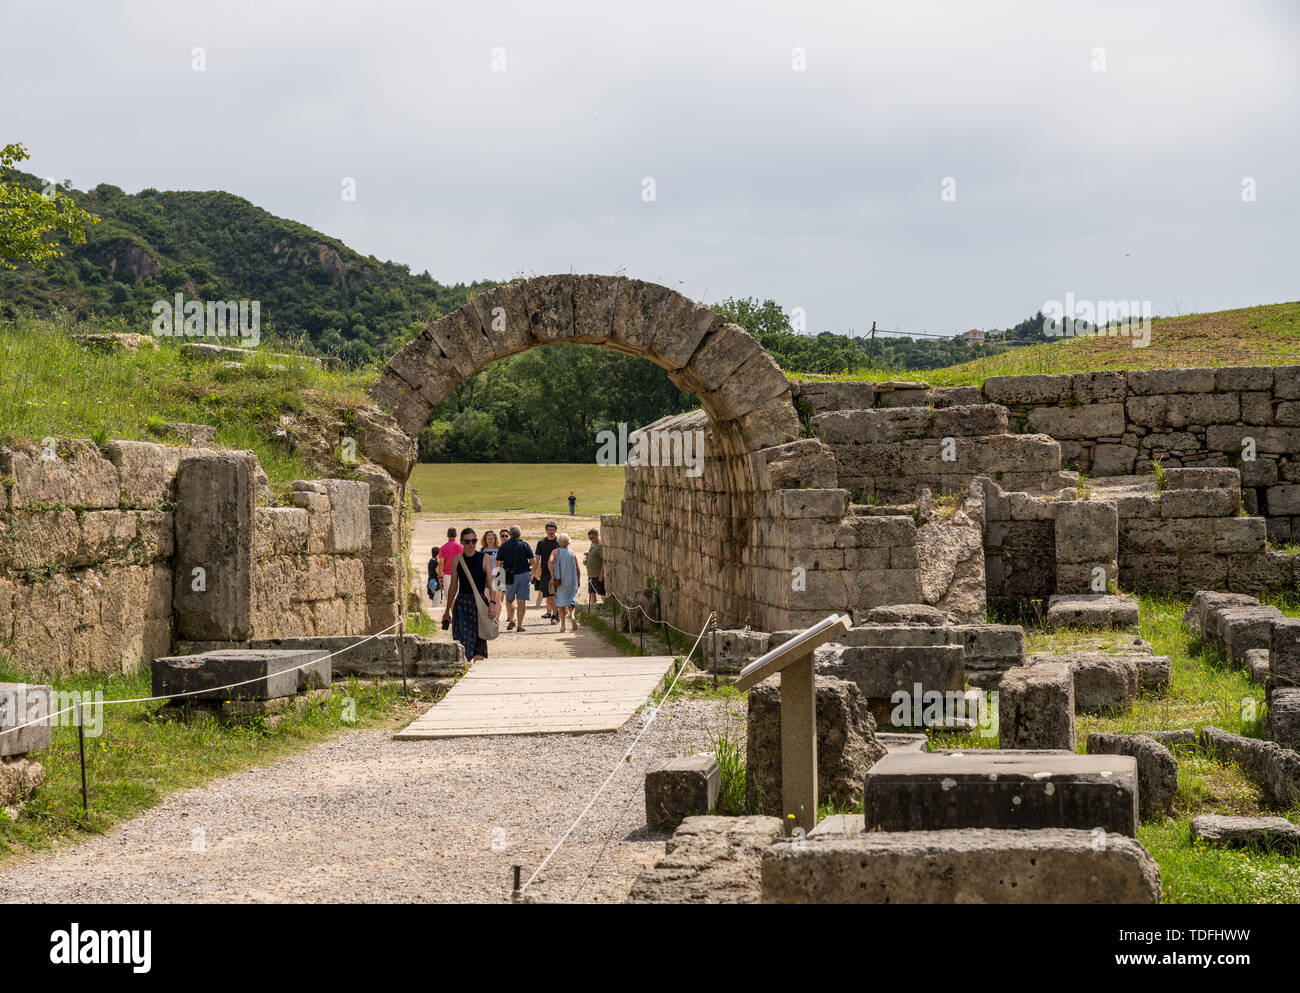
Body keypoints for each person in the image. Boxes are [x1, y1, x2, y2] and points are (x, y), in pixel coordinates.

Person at [442, 528, 492, 662]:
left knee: (480, 641)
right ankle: (464, 670)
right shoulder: (456, 561)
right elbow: (453, 586)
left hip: (479, 603)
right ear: (462, 542)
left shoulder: (484, 558)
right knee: (462, 640)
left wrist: (492, 604)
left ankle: (478, 673)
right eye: (468, 541)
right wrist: (447, 610)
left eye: (474, 541)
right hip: (462, 604)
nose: (471, 544)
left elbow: (491, 583)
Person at [498, 525, 534, 632]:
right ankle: (520, 625)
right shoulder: (524, 545)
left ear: (510, 534)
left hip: (509, 576)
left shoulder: (503, 546)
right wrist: (531, 572)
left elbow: (498, 563)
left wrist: (499, 577)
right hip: (523, 575)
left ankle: (512, 619)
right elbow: (533, 561)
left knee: (509, 600)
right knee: (521, 601)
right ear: (520, 534)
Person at [549, 532, 581, 632]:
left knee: (561, 604)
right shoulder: (572, 553)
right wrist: (578, 580)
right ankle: (572, 616)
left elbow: (550, 561)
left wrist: (552, 574)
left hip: (560, 580)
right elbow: (578, 569)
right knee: (571, 601)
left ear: (558, 541)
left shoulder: (555, 551)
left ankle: (563, 625)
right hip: (572, 581)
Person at [535, 522, 560, 623]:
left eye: (552, 530)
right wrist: (533, 571)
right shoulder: (541, 543)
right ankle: (556, 613)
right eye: (549, 530)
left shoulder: (559, 542)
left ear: (555, 530)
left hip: (557, 573)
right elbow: (537, 559)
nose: (550, 532)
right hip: (545, 573)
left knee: (555, 595)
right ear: (546, 530)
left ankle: (555, 615)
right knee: (548, 596)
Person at [481, 529, 505, 608]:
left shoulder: (500, 549)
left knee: (497, 599)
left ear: (495, 539)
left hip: (498, 575)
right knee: (487, 598)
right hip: (486, 576)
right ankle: (489, 618)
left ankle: (497, 618)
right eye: (488, 539)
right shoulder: (482, 550)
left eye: (491, 539)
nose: (490, 541)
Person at [584, 528, 605, 606]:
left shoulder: (600, 545)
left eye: (592, 538)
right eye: (589, 538)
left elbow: (604, 560)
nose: (591, 540)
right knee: (591, 593)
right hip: (591, 574)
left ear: (597, 535)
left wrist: (601, 574)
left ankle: (607, 610)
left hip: (597, 574)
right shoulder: (593, 544)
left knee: (602, 593)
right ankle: (593, 611)